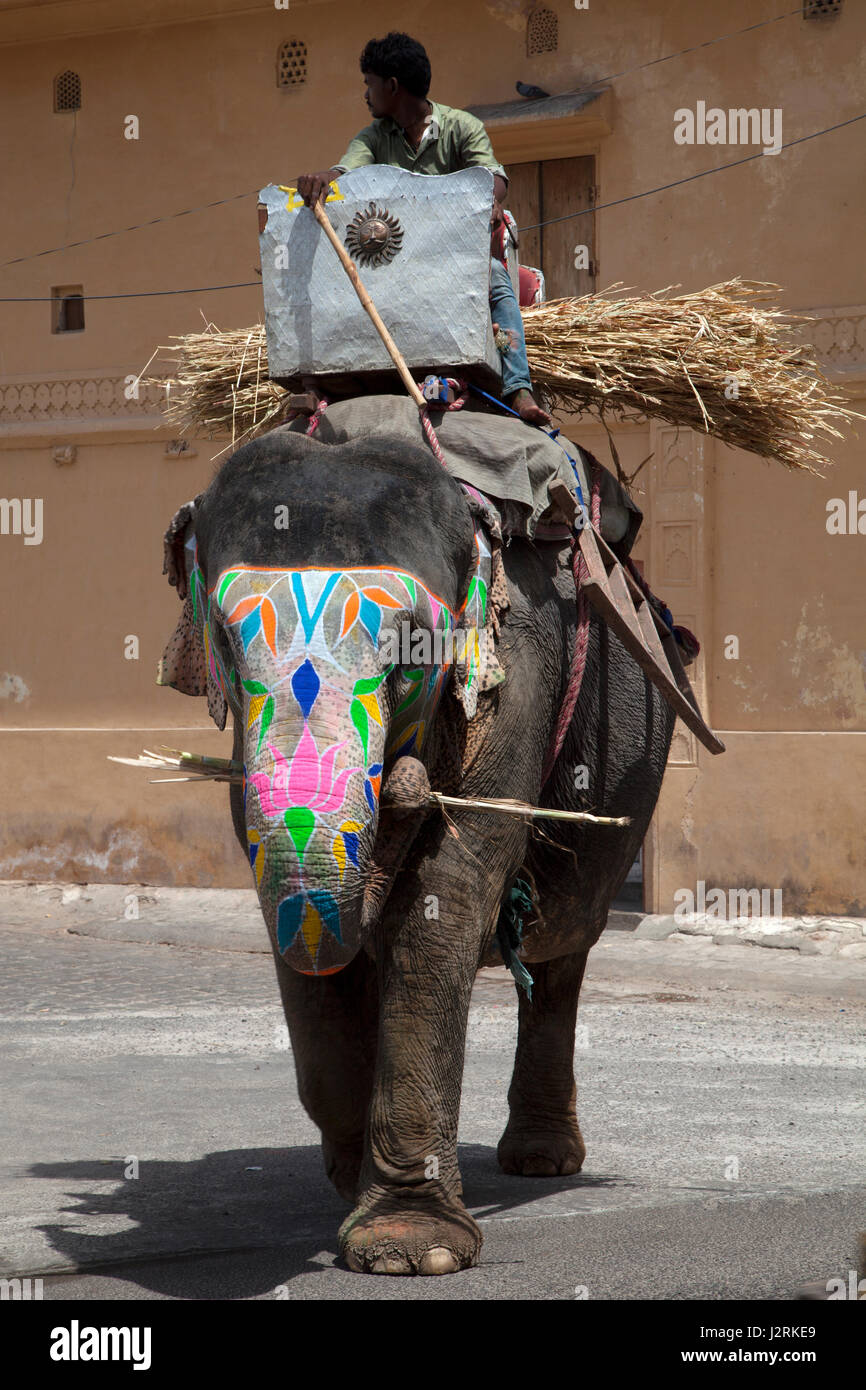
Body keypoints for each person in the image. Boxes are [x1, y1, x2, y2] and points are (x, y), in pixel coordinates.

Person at [296, 31, 552, 427]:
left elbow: (493, 177)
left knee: (499, 281)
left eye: (370, 84)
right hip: (390, 268)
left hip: (454, 266)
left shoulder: (461, 128)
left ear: (393, 86)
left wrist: (490, 197)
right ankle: (316, 381)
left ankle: (518, 388)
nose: (366, 95)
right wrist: (325, 179)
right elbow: (347, 172)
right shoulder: (374, 138)